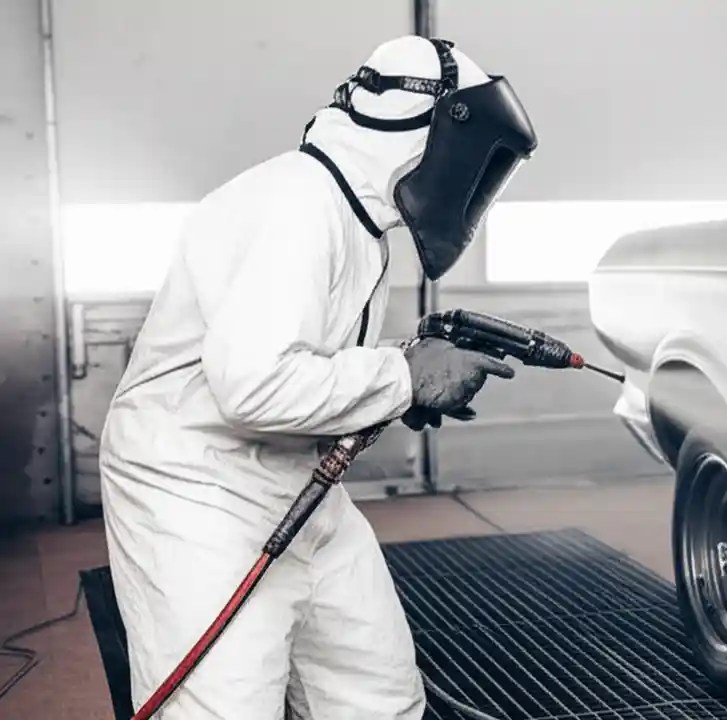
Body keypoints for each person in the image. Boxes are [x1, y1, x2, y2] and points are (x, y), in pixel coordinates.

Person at [98, 36, 536, 719]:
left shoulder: (358, 219)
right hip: (196, 492)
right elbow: (254, 386)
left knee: (377, 693)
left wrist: (401, 374)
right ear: (429, 128)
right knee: (227, 707)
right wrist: (401, 376)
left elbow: (307, 360)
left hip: (299, 484)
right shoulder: (297, 204)